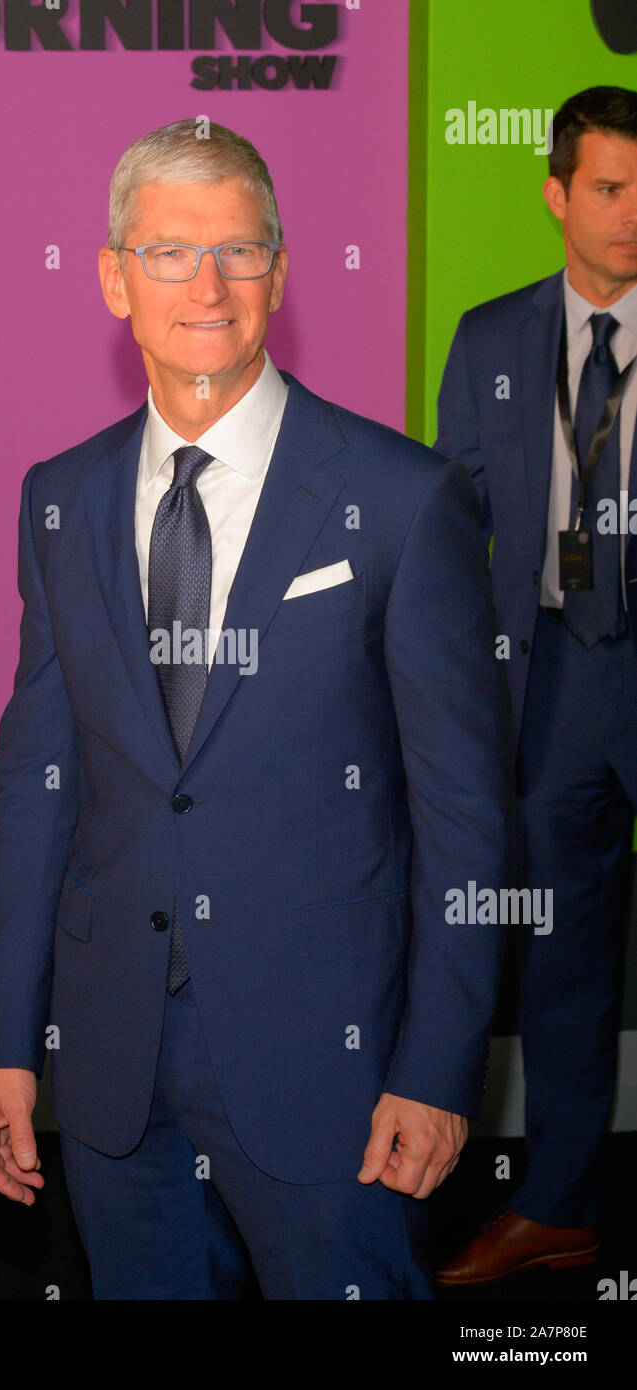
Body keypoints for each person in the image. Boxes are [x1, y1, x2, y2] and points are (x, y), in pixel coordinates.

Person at [0, 118, 514, 1300]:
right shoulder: (59, 498)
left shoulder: (403, 499)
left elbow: (467, 813)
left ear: (280, 269)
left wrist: (437, 1066)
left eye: (240, 250)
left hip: (337, 1069)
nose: (205, 285)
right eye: (168, 252)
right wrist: (8, 1044)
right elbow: (37, 787)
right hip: (113, 1061)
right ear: (115, 276)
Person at [433, 86, 637, 1286]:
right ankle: (558, 1202)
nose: (630, 215)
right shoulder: (490, 339)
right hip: (552, 685)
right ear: (557, 194)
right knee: (561, 963)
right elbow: (454, 543)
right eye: (609, 189)